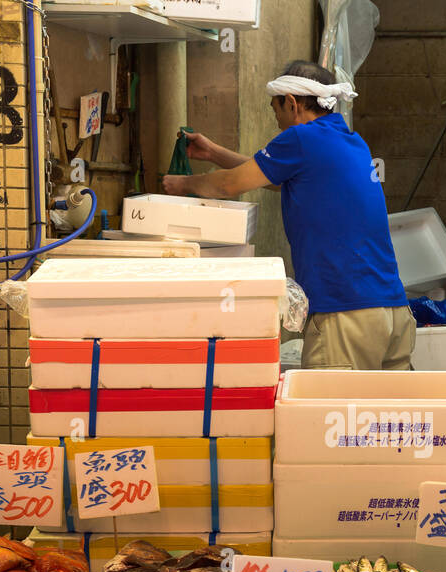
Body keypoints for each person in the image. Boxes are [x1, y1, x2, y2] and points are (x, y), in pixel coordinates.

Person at [162, 60, 415, 370]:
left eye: (276, 111)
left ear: (292, 104)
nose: (277, 121)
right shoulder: (350, 142)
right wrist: (214, 153)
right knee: (377, 417)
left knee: (326, 416)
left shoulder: (300, 138)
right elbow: (277, 177)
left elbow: (229, 186)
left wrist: (181, 184)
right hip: (392, 314)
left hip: (344, 313)